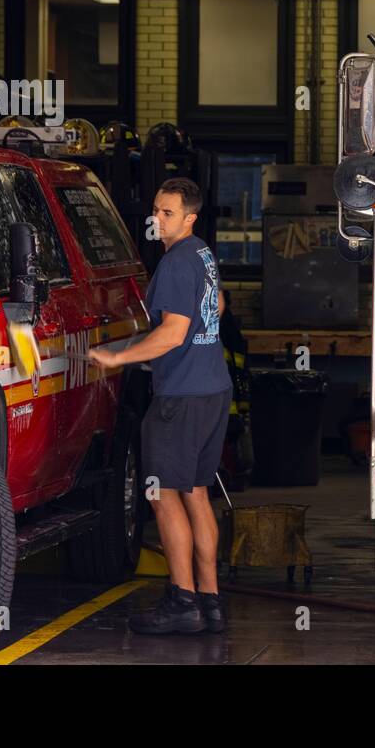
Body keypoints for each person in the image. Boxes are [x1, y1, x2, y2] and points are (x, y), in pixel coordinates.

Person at [90, 177, 233, 634]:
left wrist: (119, 356)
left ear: (189, 218)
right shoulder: (203, 255)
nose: (157, 218)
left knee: (161, 495)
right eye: (156, 209)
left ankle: (181, 603)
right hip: (213, 390)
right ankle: (209, 602)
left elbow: (172, 332)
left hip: (182, 398)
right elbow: (219, 306)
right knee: (195, 492)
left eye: (167, 213)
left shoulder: (174, 263)